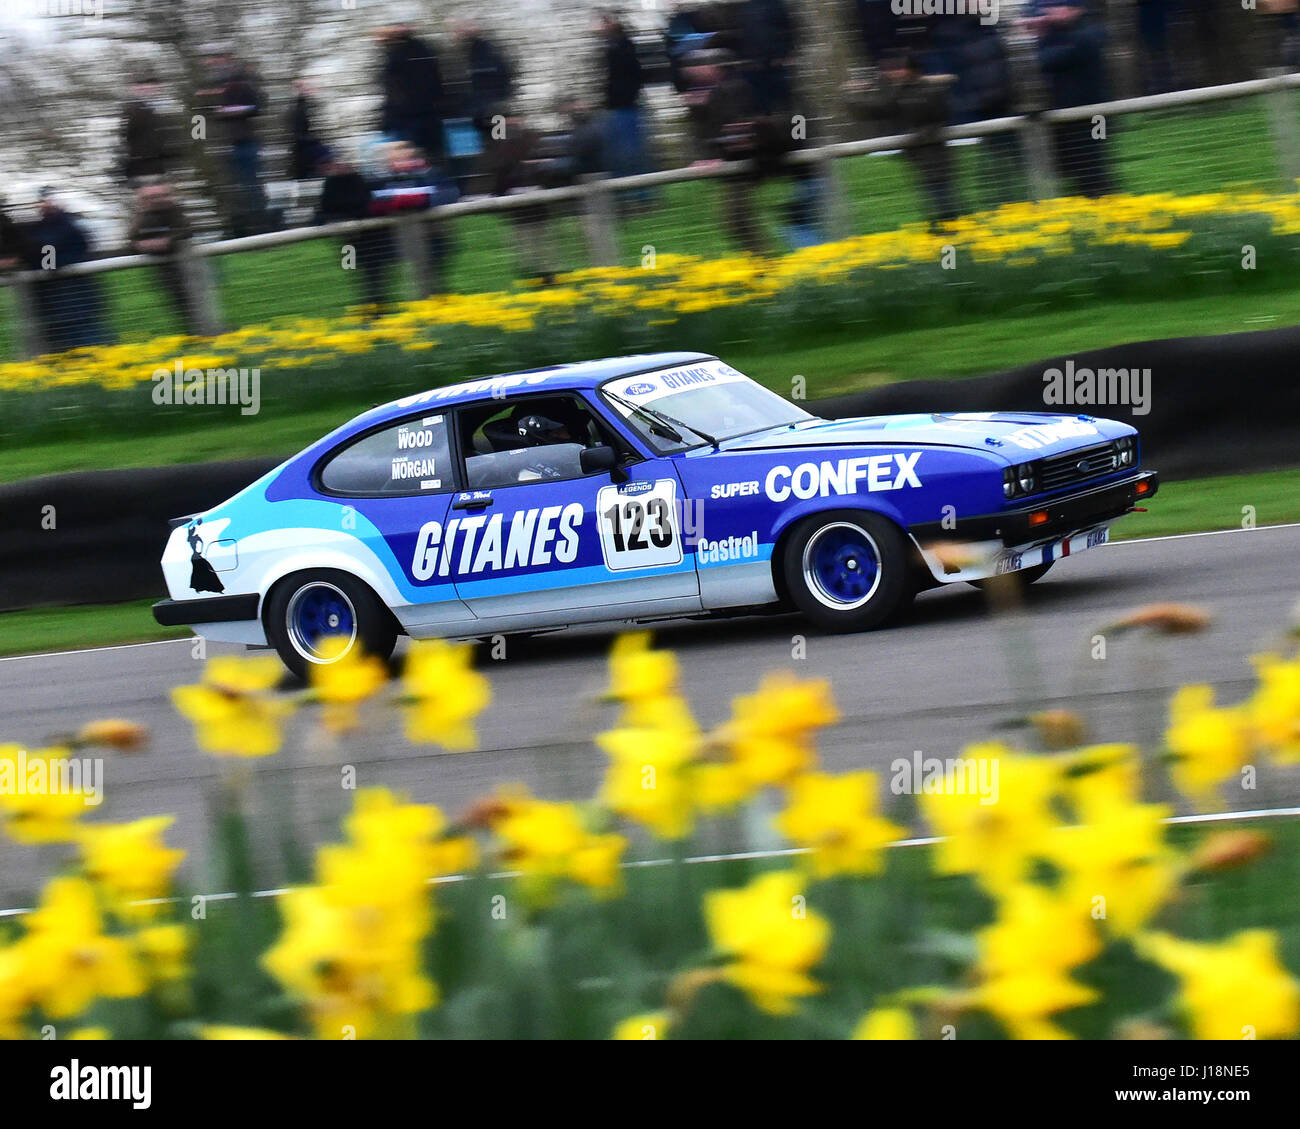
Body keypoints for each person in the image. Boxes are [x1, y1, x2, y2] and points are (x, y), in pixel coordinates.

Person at [1027, 1, 1116, 198]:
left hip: (1096, 116)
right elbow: (1042, 61)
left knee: (1095, 160)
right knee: (1074, 166)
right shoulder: (1051, 37)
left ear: (1077, 10)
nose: (1054, 11)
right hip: (1066, 118)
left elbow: (1051, 59)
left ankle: (1106, 200)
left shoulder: (1089, 34)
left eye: (1062, 6)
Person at [871, 51, 961, 226]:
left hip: (934, 156)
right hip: (921, 156)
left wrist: (924, 133)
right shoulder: (903, 92)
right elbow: (881, 108)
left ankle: (950, 231)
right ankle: (946, 231)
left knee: (942, 197)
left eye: (901, 69)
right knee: (935, 198)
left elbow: (939, 117)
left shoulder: (924, 91)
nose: (896, 73)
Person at [22, 188, 111, 351]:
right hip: (50, 301)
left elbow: (52, 258)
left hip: (76, 299)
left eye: (48, 200)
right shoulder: (37, 229)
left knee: (91, 343)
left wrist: (47, 260)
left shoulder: (70, 225)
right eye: (42, 201)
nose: (45, 204)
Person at [203, 52, 272, 235]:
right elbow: (204, 114)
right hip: (226, 144)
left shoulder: (244, 87)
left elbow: (257, 107)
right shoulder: (212, 91)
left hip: (244, 142)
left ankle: (258, 223)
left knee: (251, 183)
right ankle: (238, 225)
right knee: (234, 185)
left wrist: (233, 111)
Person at [315, 157, 392, 310]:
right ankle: (369, 306)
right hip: (353, 241)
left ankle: (373, 306)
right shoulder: (336, 184)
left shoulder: (349, 182)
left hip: (367, 240)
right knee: (356, 271)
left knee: (369, 273)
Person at [596, 11, 655, 198]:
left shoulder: (622, 47)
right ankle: (628, 195)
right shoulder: (615, 46)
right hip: (618, 106)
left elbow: (631, 77)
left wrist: (623, 97)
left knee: (630, 152)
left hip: (625, 107)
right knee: (620, 153)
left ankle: (640, 195)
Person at [128, 180, 197, 334]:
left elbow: (187, 231)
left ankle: (206, 335)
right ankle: (194, 337)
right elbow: (131, 241)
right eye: (151, 197)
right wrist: (141, 245)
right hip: (166, 273)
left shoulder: (176, 212)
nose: (156, 200)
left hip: (190, 270)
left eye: (160, 196)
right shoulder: (141, 218)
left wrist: (168, 241)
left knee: (197, 304)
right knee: (181, 308)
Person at [376, 24, 448, 162]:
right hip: (424, 118)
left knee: (411, 163)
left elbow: (394, 93)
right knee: (430, 161)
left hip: (408, 120)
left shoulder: (397, 59)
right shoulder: (423, 52)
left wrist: (387, 122)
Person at [121, 73, 180, 184]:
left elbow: (179, 134)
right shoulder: (131, 109)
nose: (146, 89)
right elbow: (126, 137)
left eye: (150, 84)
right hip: (142, 168)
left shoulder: (169, 108)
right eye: (141, 85)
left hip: (166, 167)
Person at [288, 78, 329, 182]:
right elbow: (298, 132)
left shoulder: (305, 105)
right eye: (302, 87)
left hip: (306, 148)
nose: (307, 89)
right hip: (305, 149)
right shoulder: (299, 107)